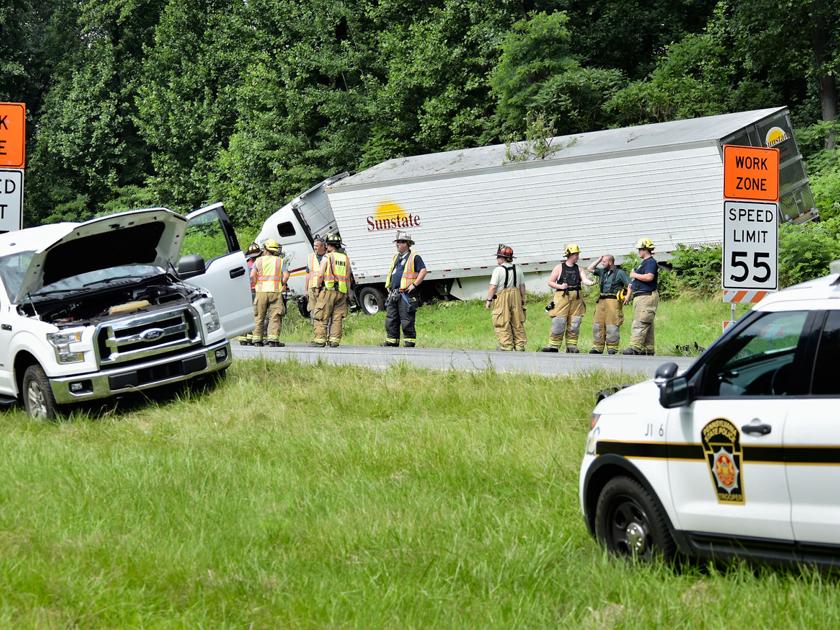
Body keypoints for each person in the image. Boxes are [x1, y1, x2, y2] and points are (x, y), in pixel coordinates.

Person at [541, 243, 594, 353]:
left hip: (576, 299)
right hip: (562, 298)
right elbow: (550, 282)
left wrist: (591, 282)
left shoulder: (579, 269)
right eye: (575, 254)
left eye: (578, 254)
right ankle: (553, 346)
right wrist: (560, 286)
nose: (577, 256)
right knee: (559, 321)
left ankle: (571, 346)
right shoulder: (559, 267)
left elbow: (584, 280)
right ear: (569, 255)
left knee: (575, 322)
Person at [383, 231, 427, 348]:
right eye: (397, 242)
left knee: (406, 319)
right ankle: (392, 341)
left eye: (400, 242)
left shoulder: (414, 257)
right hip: (394, 293)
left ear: (407, 244)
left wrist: (415, 285)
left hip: (406, 294)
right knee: (391, 318)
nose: (397, 244)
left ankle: (409, 342)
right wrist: (389, 286)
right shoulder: (396, 257)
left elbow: (423, 271)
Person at [311, 232, 352, 348]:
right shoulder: (345, 258)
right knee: (337, 317)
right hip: (342, 293)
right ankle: (334, 341)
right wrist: (348, 293)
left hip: (328, 291)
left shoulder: (327, 257)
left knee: (321, 315)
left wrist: (317, 288)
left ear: (328, 245)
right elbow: (348, 278)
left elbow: (320, 275)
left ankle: (320, 340)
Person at [485, 244, 526, 351]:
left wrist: (489, 300)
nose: (497, 259)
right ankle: (519, 345)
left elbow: (493, 287)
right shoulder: (519, 269)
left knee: (501, 320)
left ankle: (506, 345)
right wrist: (522, 299)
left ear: (503, 258)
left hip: (502, 297)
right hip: (516, 296)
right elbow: (522, 286)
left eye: (498, 256)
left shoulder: (498, 270)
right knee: (517, 320)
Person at [249, 239, 290, 347]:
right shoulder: (280, 261)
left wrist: (256, 284)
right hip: (275, 291)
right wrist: (282, 283)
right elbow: (286, 276)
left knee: (259, 315)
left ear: (265, 249)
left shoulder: (258, 261)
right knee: (275, 316)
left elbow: (252, 276)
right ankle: (273, 340)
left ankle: (257, 340)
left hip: (261, 292)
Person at [587, 254, 630, 355]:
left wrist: (627, 296)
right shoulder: (602, 271)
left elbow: (630, 285)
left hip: (613, 301)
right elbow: (589, 269)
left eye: (604, 261)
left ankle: (612, 348)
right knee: (597, 324)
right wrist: (599, 259)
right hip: (601, 300)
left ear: (610, 262)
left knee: (612, 324)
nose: (602, 263)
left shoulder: (620, 273)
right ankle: (598, 347)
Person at [623, 238, 659, 355]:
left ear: (645, 249)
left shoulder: (650, 262)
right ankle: (647, 349)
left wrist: (634, 274)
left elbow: (649, 277)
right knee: (647, 322)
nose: (639, 252)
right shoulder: (643, 263)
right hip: (641, 296)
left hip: (646, 296)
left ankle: (635, 347)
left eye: (640, 249)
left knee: (641, 321)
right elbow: (634, 282)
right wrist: (628, 296)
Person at [237, 241, 264, 345]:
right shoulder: (258, 264)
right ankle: (251, 336)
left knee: (246, 313)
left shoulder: (244, 264)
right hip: (255, 290)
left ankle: (243, 338)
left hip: (244, 291)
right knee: (255, 313)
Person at [305, 235, 327, 337]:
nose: (315, 248)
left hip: (324, 288)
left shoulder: (328, 256)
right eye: (314, 246)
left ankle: (323, 334)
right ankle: (317, 335)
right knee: (313, 311)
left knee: (323, 311)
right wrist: (306, 289)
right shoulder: (310, 257)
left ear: (323, 246)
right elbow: (308, 274)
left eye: (317, 246)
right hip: (312, 288)